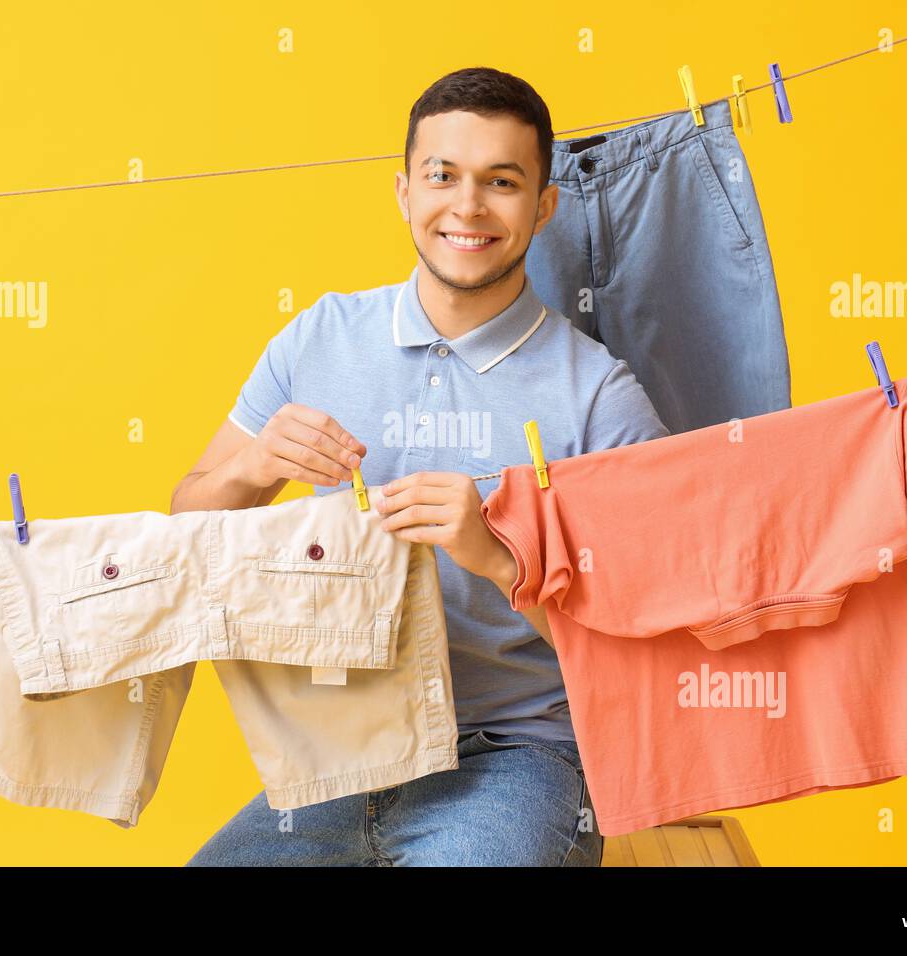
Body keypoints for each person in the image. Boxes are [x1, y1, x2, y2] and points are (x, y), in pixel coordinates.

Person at [173, 66, 668, 866]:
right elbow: (187, 525)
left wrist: (499, 558)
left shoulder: (599, 397)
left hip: (519, 760)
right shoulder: (317, 338)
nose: (467, 208)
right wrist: (251, 468)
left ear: (543, 205)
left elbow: (649, 654)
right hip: (340, 755)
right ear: (404, 191)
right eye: (443, 176)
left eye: (501, 182)